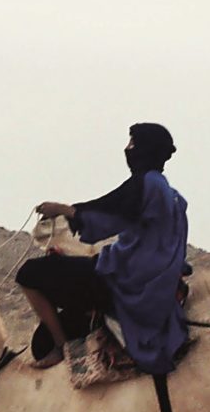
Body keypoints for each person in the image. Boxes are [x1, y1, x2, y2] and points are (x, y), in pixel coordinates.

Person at [16, 122, 189, 373]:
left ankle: (61, 348)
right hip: (148, 281)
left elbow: (107, 215)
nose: (127, 149)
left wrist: (61, 210)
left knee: (29, 274)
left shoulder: (147, 185)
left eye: (132, 143)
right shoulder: (171, 195)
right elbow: (116, 213)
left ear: (145, 149)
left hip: (128, 284)